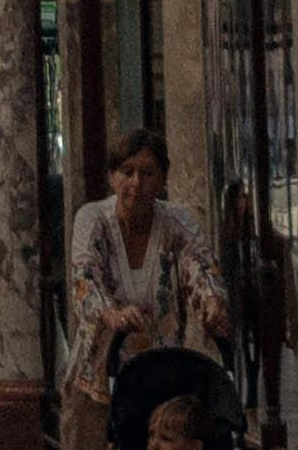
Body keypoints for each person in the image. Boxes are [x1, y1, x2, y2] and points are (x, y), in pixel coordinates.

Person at [61, 129, 229, 401]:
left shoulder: (175, 221)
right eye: (127, 172)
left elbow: (200, 262)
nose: (137, 183)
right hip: (97, 375)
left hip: (159, 375)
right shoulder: (92, 219)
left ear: (162, 179)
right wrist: (112, 314)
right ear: (112, 177)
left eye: (148, 173)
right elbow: (85, 277)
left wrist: (212, 299)